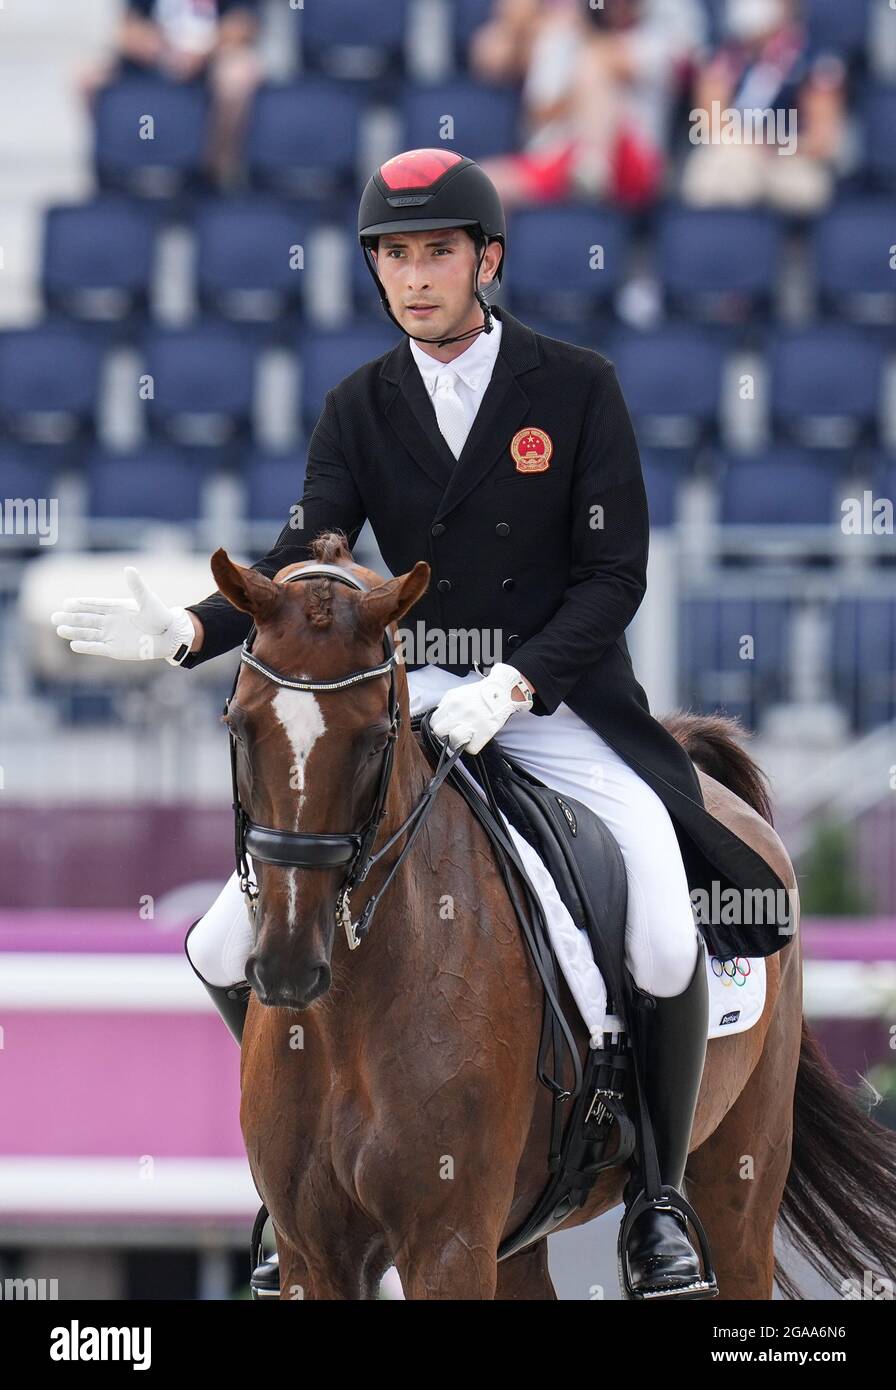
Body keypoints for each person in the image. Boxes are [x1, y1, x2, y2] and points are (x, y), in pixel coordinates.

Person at [52, 149, 791, 1300]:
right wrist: (188, 633)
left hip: (557, 701)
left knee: (653, 912)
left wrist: (521, 681)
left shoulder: (573, 384)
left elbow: (613, 574)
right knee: (213, 941)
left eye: (434, 251)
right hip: (420, 695)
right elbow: (305, 561)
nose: (412, 275)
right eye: (393, 255)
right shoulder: (361, 404)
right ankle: (289, 1182)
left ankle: (653, 1201)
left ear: (484, 261)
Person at [473, 0, 706, 208]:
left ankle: (594, 167)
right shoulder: (562, 34)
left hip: (634, 161)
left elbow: (614, 60)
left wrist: (568, 30)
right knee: (479, 186)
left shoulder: (657, 36)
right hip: (568, 155)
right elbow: (541, 111)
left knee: (592, 65)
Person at [681, 0, 846, 213]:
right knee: (713, 172)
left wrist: (775, 147)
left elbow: (822, 138)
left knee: (805, 187)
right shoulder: (726, 52)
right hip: (738, 151)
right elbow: (709, 122)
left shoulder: (815, 53)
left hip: (792, 158)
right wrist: (751, 147)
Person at [77, 0, 262, 187]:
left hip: (212, 61)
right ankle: (115, 156)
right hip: (151, 59)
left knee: (238, 75)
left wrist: (202, 50)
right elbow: (127, 29)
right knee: (87, 76)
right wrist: (161, 48)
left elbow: (243, 24)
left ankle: (216, 170)